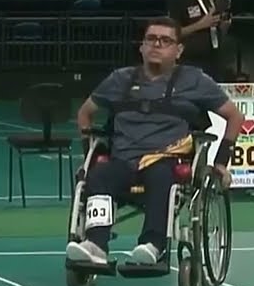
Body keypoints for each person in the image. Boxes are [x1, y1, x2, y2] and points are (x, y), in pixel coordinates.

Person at [67, 16, 244, 266]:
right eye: (151, 39)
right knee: (98, 176)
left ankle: (153, 245)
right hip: (123, 160)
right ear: (141, 47)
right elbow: (85, 113)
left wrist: (221, 162)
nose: (156, 45)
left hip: (167, 160)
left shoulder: (195, 80)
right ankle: (95, 244)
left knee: (161, 177)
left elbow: (235, 116)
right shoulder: (120, 79)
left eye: (165, 40)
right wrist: (91, 155)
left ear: (178, 50)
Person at [166, 0, 231, 81]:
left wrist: (223, 27)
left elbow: (217, 29)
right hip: (189, 61)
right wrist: (200, 25)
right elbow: (173, 33)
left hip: (214, 60)